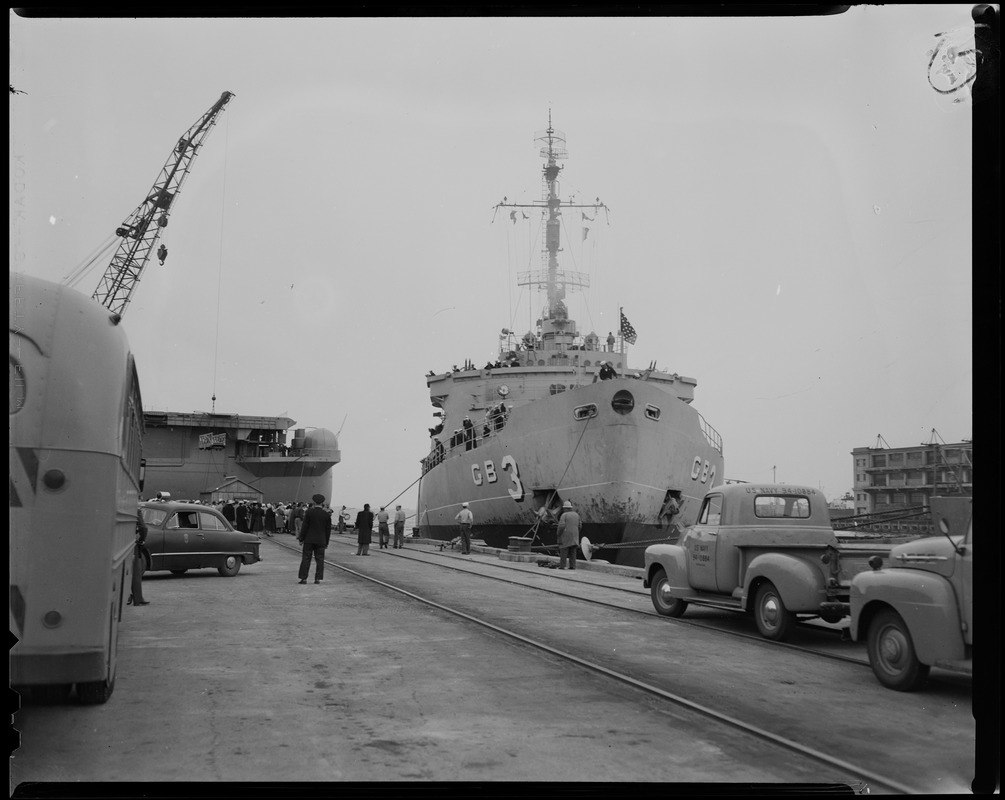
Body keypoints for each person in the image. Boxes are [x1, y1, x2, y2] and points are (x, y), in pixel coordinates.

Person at [298, 494, 332, 584]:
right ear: (322, 503)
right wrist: (326, 542)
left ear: (313, 502)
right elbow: (328, 530)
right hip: (321, 540)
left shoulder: (309, 512)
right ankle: (317, 578)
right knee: (320, 560)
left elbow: (304, 527)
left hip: (309, 540)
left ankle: (303, 578)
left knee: (306, 559)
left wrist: (301, 539)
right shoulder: (326, 515)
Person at [128, 507, 150, 605]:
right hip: (134, 543)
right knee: (136, 572)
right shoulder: (136, 510)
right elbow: (143, 528)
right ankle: (138, 599)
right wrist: (142, 540)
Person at [556, 499, 581, 570]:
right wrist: (576, 532)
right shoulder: (576, 515)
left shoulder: (564, 515)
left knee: (564, 550)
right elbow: (580, 526)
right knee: (573, 551)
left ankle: (562, 566)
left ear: (565, 508)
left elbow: (561, 526)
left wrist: (558, 534)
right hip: (575, 536)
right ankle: (572, 566)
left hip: (566, 536)